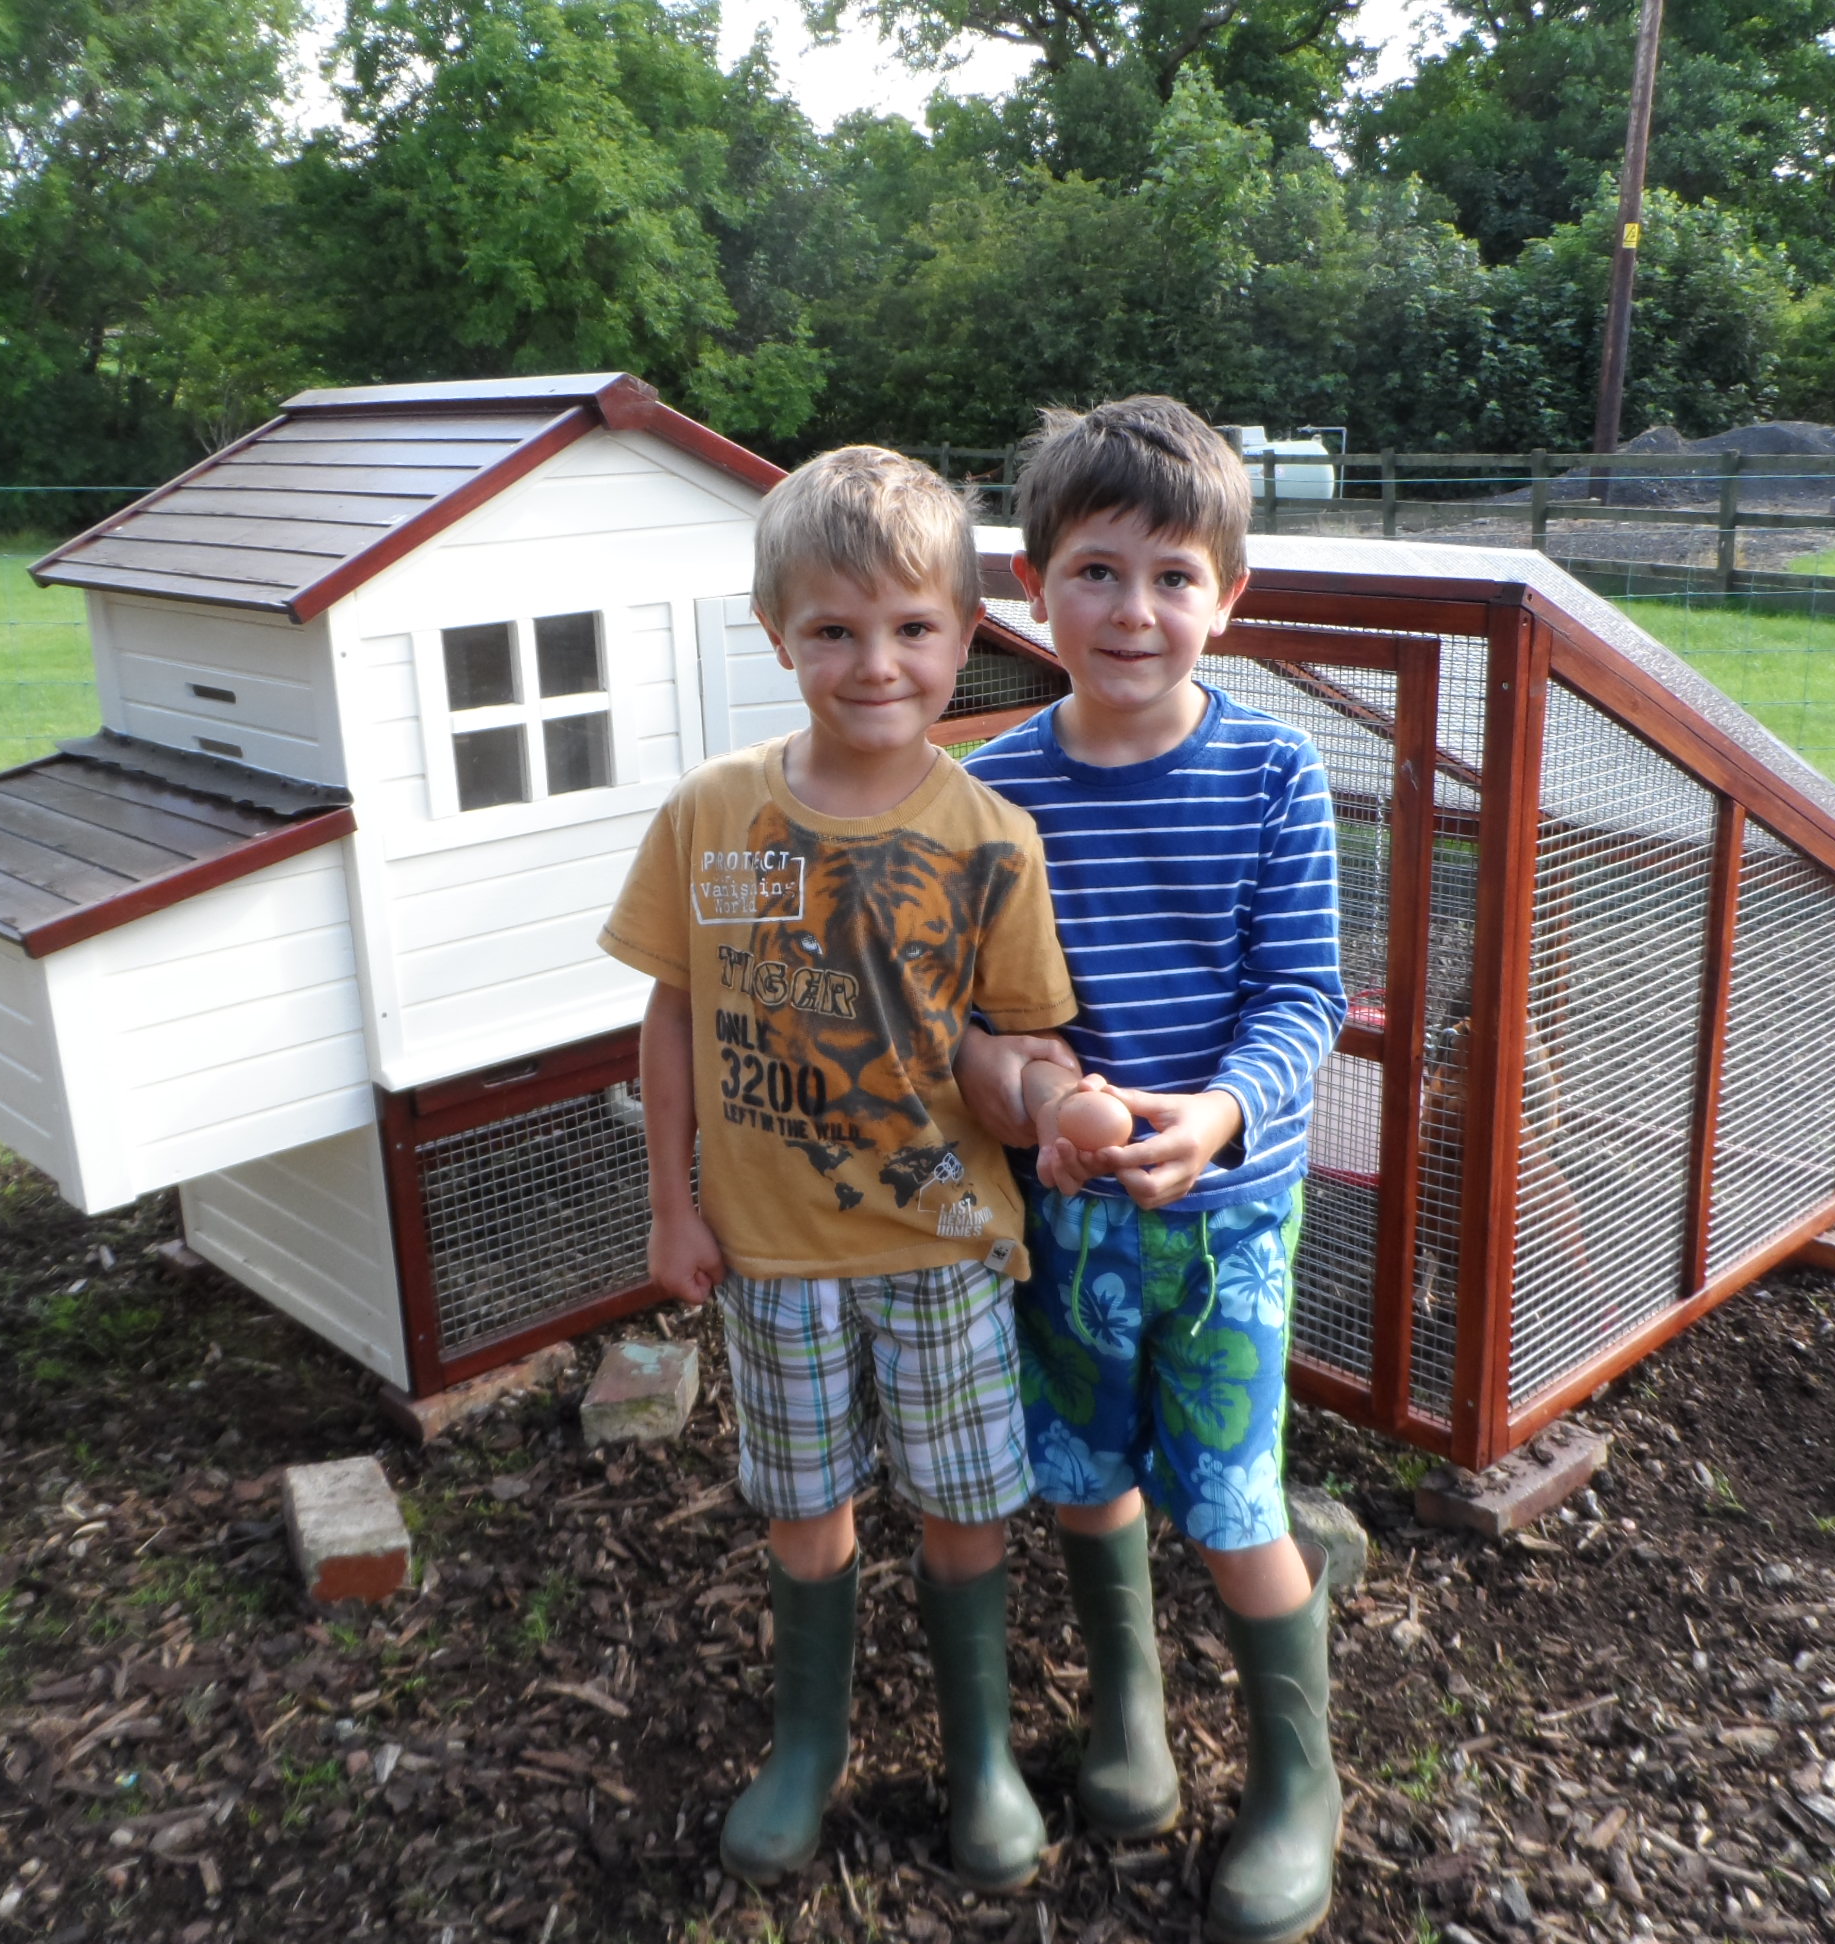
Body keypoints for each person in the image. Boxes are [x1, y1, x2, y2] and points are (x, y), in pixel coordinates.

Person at [600, 446, 1077, 1893]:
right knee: (804, 1509)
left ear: (966, 634)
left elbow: (1024, 1042)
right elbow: (671, 1009)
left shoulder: (994, 837)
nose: (876, 664)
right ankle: (805, 1745)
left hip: (941, 1247)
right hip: (772, 1255)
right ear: (777, 636)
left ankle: (979, 1746)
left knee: (963, 1502)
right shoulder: (711, 814)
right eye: (834, 631)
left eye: (913, 628)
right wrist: (672, 1205)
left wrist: (1055, 1104)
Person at [956, 397, 1350, 1944]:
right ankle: (1129, 1716)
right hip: (1063, 1210)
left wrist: (1219, 1118)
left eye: (1176, 576)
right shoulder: (991, 789)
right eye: (1099, 572)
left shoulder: (1275, 774)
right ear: (1033, 588)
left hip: (1231, 1218)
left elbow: (1301, 997)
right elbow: (979, 1012)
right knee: (1083, 1469)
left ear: (1229, 599)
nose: (1137, 611)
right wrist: (1041, 1092)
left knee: (1235, 1502)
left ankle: (1296, 1782)